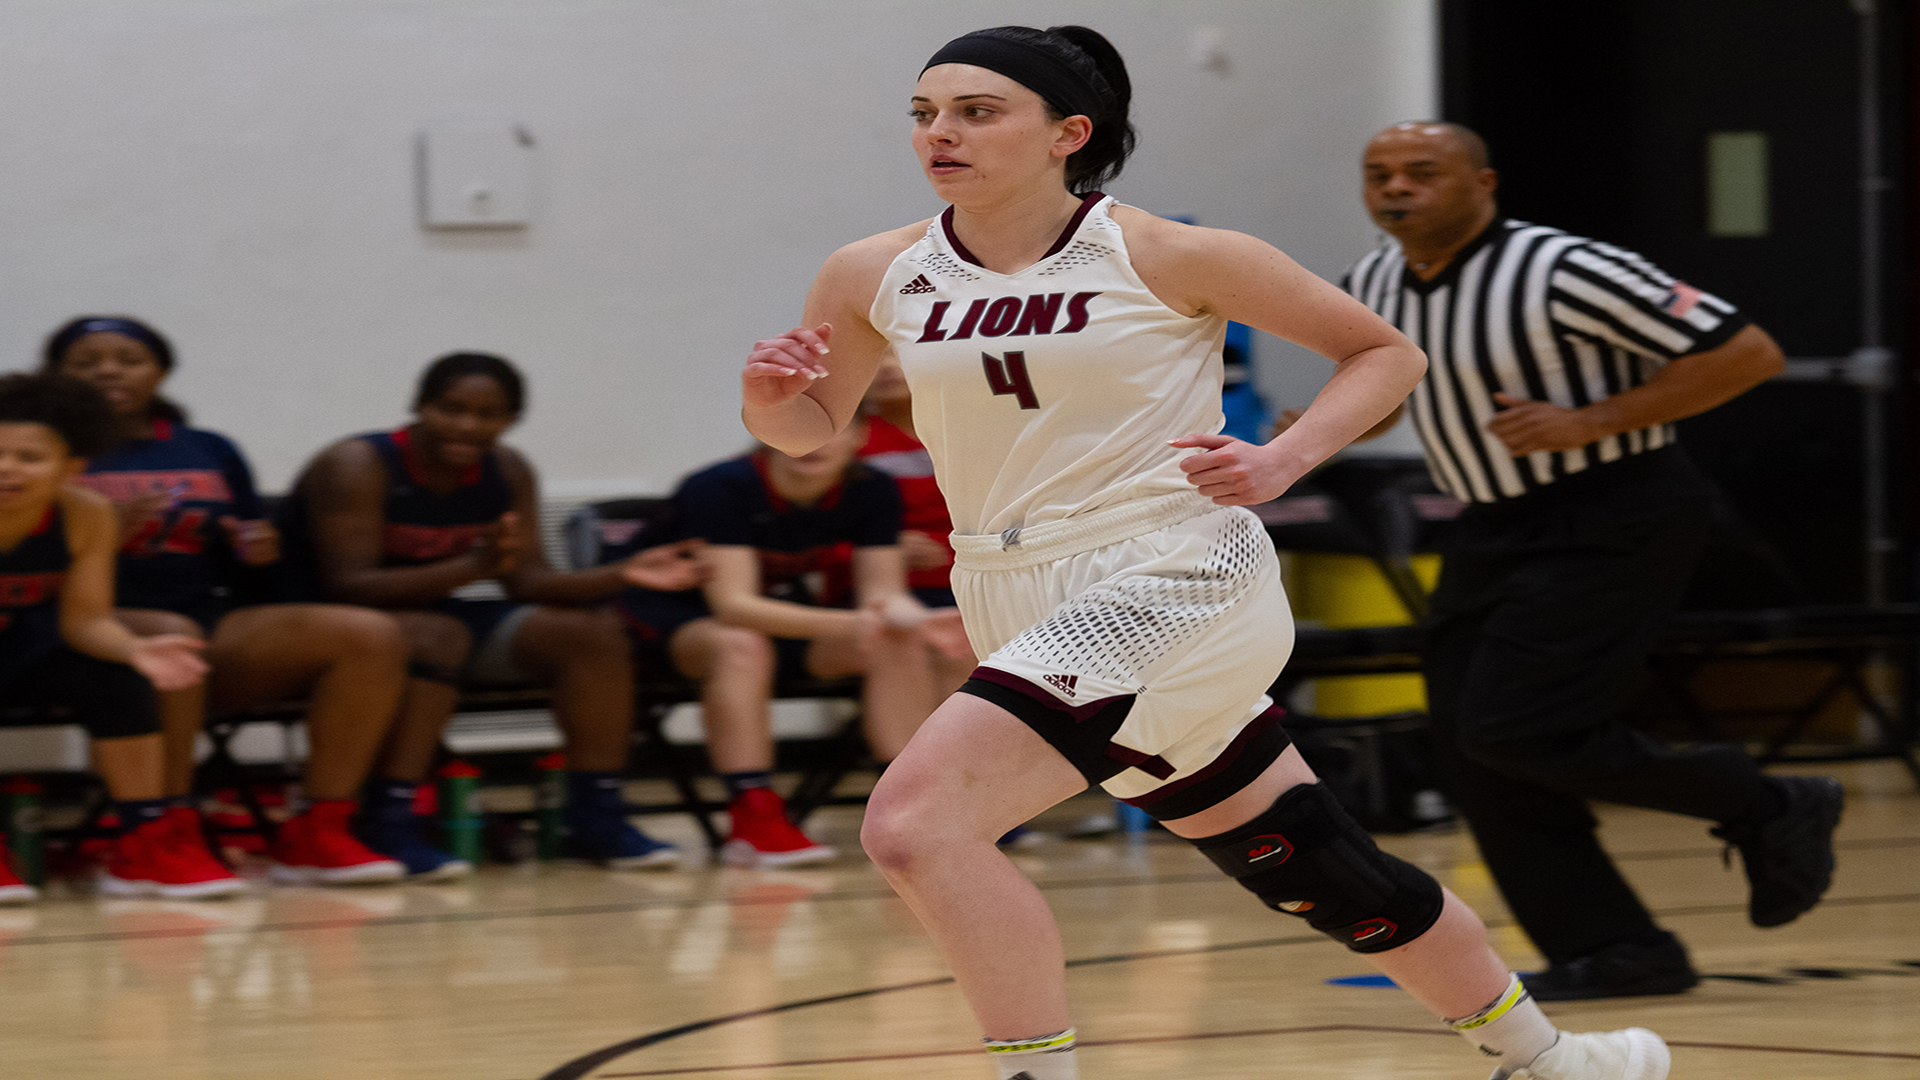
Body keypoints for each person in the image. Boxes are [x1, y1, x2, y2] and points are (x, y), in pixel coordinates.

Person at [741, 25, 1670, 1080]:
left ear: (1067, 133)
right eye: (925, 114)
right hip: (1010, 587)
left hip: (1174, 574)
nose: (939, 133)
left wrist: (1285, 457)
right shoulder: (872, 270)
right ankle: (1554, 1063)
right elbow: (809, 429)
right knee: (1312, 864)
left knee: (915, 827)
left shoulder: (1165, 251)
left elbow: (1384, 352)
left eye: (976, 111)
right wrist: (769, 400)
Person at [1341, 121, 1841, 1002]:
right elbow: (1378, 397)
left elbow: (1749, 352)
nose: (1397, 189)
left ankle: (1765, 804)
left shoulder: (1565, 267)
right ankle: (1616, 949)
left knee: (1518, 726)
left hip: (1614, 507)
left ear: (1483, 183)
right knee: (1472, 747)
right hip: (1488, 520)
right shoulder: (1371, 282)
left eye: (1422, 173)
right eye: (1380, 175)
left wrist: (1589, 419)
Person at [280, 352, 704, 877]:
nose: (467, 425)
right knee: (441, 635)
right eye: (451, 409)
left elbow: (528, 581)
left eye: (488, 415)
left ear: (510, 421)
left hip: (442, 619)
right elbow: (351, 586)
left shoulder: (507, 469)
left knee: (593, 634)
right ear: (419, 406)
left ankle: (595, 814)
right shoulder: (358, 465)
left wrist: (624, 574)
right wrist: (472, 566)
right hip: (329, 623)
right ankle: (390, 821)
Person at [47, 316, 410, 886]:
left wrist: (260, 553)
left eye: (128, 358)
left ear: (161, 373)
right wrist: (98, 533)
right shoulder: (37, 453)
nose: (109, 370)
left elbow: (249, 559)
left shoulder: (209, 449)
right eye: (87, 361)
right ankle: (160, 831)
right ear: (57, 377)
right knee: (172, 634)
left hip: (207, 613)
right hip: (83, 625)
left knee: (370, 633)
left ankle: (319, 829)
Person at [616, 415, 969, 868]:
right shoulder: (722, 484)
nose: (814, 441)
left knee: (895, 640)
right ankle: (754, 817)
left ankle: (908, 806)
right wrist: (856, 624)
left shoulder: (871, 487)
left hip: (785, 620)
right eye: (800, 426)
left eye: (833, 427)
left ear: (861, 437)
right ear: (768, 432)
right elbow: (734, 606)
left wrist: (924, 621)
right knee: (740, 644)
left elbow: (883, 596)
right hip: (675, 622)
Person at [0, 373, 242, 901]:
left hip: (24, 643)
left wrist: (134, 647)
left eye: (29, 457)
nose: (7, 468)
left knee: (117, 678)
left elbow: (85, 620)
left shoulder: (87, 514)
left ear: (71, 469)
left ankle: (143, 844)